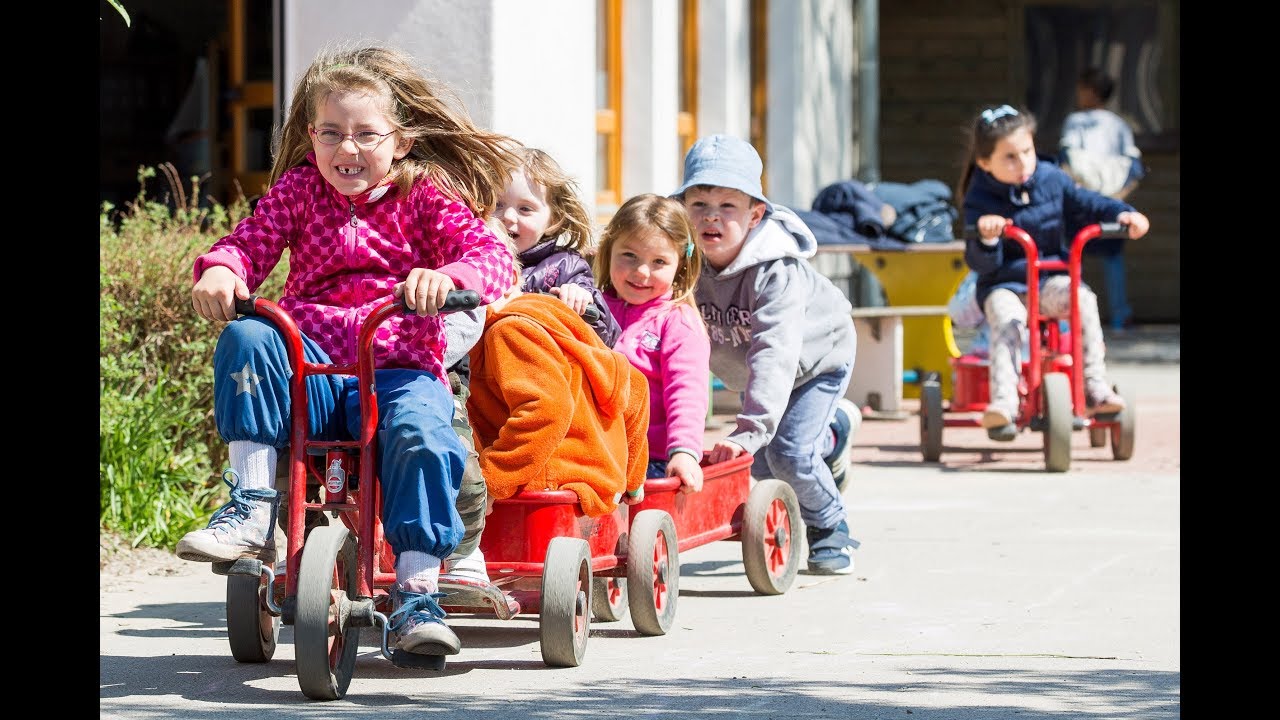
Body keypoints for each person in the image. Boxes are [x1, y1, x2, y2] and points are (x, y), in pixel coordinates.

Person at [174, 44, 520, 659]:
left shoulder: (426, 198)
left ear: (401, 142)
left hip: (397, 367)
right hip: (313, 365)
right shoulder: (299, 191)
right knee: (249, 334)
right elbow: (248, 243)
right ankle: (251, 508)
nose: (348, 149)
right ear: (312, 139)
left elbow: (493, 258)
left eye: (367, 134)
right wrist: (223, 269)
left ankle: (417, 592)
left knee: (423, 433)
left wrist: (447, 276)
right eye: (332, 133)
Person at [672, 134, 861, 576]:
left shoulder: (775, 270)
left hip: (818, 360)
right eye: (699, 205)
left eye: (728, 207)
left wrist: (750, 428)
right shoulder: (680, 263)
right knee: (755, 460)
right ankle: (831, 436)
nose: (711, 218)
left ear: (756, 215)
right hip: (754, 372)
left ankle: (830, 526)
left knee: (789, 454)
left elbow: (775, 353)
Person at [959, 104, 1150, 437]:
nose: (1022, 164)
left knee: (1082, 300)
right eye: (1009, 158)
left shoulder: (1051, 179)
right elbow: (979, 263)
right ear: (985, 163)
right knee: (1007, 320)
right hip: (1005, 284)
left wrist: (1123, 214)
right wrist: (987, 236)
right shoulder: (980, 197)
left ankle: (1093, 386)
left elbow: (1088, 202)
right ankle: (1004, 402)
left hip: (1048, 281)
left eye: (1027, 151)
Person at [466, 266, 650, 517]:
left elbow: (545, 411)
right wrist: (633, 480)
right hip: (590, 485)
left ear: (506, 280)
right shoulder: (562, 325)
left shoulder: (508, 331)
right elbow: (635, 386)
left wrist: (490, 481)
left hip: (541, 486)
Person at [594, 193, 711, 493]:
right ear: (609, 252)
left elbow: (687, 391)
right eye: (629, 256)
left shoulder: (677, 321)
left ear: (680, 265)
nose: (642, 271)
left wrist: (684, 452)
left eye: (659, 261)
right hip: (593, 452)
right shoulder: (594, 308)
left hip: (651, 459)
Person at [493, 146, 621, 347]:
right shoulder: (471, 258)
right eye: (497, 204)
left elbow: (608, 336)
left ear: (554, 219)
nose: (507, 216)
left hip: (542, 364)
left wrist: (582, 300)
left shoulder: (566, 267)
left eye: (525, 209)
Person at [1058, 67, 1146, 332]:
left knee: (1072, 257)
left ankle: (1066, 320)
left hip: (1081, 201)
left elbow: (1067, 162)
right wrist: (1118, 198)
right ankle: (1121, 315)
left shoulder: (1075, 122)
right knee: (1113, 258)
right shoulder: (1120, 125)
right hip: (1112, 200)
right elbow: (1134, 169)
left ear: (1091, 91)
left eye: (1082, 88)